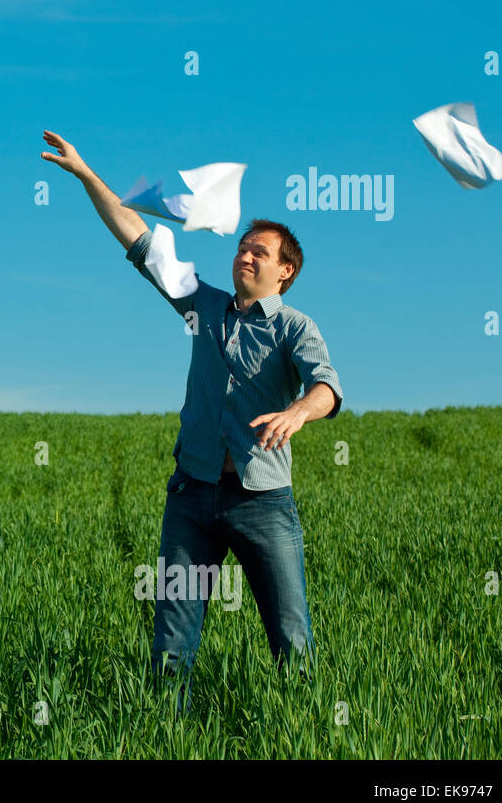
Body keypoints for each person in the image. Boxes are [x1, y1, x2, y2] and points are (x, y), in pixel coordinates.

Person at [40, 130, 344, 712]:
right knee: (172, 645)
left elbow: (327, 386)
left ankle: (307, 732)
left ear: (285, 272)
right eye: (242, 247)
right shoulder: (202, 305)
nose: (245, 254)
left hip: (263, 502)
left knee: (291, 637)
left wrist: (299, 412)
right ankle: (167, 736)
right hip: (192, 498)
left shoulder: (295, 327)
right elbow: (139, 239)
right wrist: (85, 174)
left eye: (260, 251)